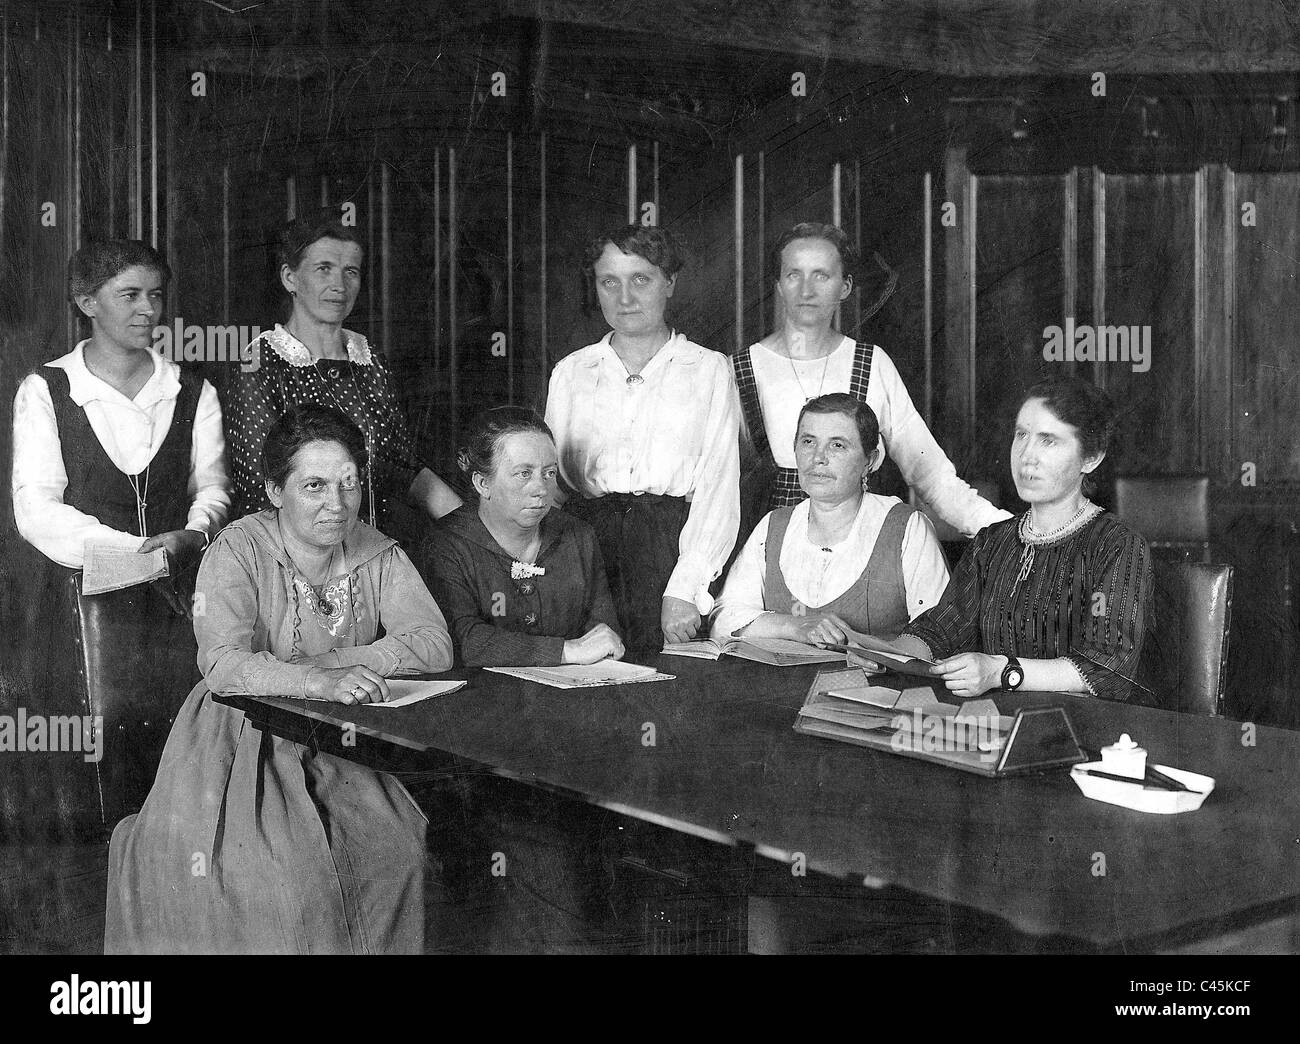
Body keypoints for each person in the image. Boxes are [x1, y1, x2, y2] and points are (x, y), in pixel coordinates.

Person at [105, 404, 454, 954]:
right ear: (274, 491)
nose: (336, 505)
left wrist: (337, 670)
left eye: (348, 484)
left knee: (398, 851)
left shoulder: (374, 548)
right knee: (281, 878)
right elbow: (221, 662)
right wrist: (316, 681)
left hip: (342, 738)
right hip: (239, 732)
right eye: (314, 486)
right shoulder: (239, 549)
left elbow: (433, 644)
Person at [879, 377, 1153, 702]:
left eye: (1048, 440)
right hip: (999, 721)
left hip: (1089, 727)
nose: (1026, 456)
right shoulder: (992, 542)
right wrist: (885, 655)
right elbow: (943, 627)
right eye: (1021, 435)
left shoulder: (1116, 544)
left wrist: (1001, 671)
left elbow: (1107, 667)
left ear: (1090, 458)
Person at [732, 221, 1009, 536]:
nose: (806, 290)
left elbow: (931, 476)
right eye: (794, 275)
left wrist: (1007, 534)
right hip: (772, 559)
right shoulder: (740, 369)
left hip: (861, 554)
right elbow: (713, 488)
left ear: (845, 287)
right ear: (779, 284)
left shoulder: (871, 363)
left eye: (821, 275)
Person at [546, 224, 741, 653]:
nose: (625, 298)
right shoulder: (571, 372)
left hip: (668, 550)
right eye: (609, 282)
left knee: (664, 682)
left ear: (669, 282)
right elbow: (551, 487)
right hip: (586, 549)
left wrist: (685, 587)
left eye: (641, 279)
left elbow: (718, 488)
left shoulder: (708, 369)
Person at [224, 212, 460, 538]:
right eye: (324, 269)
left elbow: (401, 468)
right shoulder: (260, 362)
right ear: (289, 278)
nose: (339, 285)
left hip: (381, 545)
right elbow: (260, 487)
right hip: (299, 552)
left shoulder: (370, 358)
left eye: (351, 271)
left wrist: (471, 531)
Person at [11, 238, 228, 571]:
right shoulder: (45, 390)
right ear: (88, 303)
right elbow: (36, 510)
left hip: (178, 596)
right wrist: (141, 551)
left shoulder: (193, 390)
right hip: (82, 601)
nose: (148, 309)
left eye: (155, 295)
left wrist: (197, 533)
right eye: (130, 295)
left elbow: (212, 490)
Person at [712, 394, 949, 643]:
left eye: (837, 445)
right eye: (808, 442)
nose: (818, 457)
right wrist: (795, 626)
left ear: (870, 461)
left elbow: (939, 633)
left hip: (879, 681)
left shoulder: (906, 527)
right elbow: (725, 619)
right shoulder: (774, 525)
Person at [420, 406, 623, 666]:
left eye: (549, 473)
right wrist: (566, 651)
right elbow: (460, 640)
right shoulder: (447, 544)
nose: (541, 489)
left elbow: (602, 632)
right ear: (483, 483)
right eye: (523, 474)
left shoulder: (579, 535)